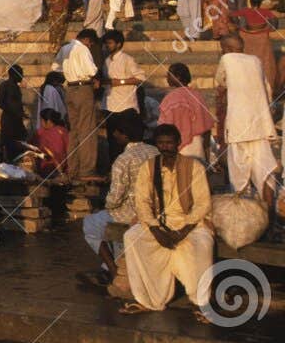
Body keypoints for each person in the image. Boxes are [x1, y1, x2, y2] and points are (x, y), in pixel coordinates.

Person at [120, 124, 213, 317]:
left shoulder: (193, 166)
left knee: (202, 245)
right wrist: (156, 230)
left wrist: (181, 232)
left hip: (190, 224)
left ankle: (200, 303)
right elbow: (142, 202)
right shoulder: (148, 167)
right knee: (132, 237)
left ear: (178, 143)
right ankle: (148, 300)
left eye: (169, 143)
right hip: (158, 224)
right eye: (161, 143)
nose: (165, 147)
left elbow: (203, 203)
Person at [80, 112, 156, 287]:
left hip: (131, 213)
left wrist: (104, 205)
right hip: (155, 208)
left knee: (90, 223)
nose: (114, 135)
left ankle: (114, 271)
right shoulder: (155, 151)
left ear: (124, 134)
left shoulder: (123, 160)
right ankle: (109, 267)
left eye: (116, 132)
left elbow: (114, 199)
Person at [215, 34, 280, 204]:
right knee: (265, 173)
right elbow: (267, 89)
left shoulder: (227, 59)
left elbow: (220, 83)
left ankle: (245, 214)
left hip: (238, 127)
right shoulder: (256, 61)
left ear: (226, 49)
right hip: (261, 126)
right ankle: (270, 219)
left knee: (239, 177)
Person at [58, 29, 100, 180]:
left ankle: (73, 170)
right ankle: (87, 171)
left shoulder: (65, 48)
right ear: (87, 40)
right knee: (87, 130)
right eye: (91, 43)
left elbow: (55, 68)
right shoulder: (82, 49)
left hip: (70, 89)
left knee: (74, 131)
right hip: (83, 89)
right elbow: (92, 70)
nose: (90, 46)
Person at [157, 62, 215, 161]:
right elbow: (207, 129)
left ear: (178, 77)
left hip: (176, 148)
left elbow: (164, 128)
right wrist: (207, 154)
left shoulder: (170, 98)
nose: (167, 78)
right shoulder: (197, 96)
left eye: (169, 75)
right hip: (197, 146)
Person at [232, 0, 278, 80]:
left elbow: (232, 14)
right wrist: (272, 29)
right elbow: (275, 19)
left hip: (248, 33)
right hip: (262, 34)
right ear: (260, 3)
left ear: (250, 3)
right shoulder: (265, 11)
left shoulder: (246, 11)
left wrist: (236, 25)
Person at [100, 29, 143, 119]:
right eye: (106, 43)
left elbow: (140, 79)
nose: (107, 46)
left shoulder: (128, 59)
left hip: (126, 106)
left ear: (118, 44)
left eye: (110, 43)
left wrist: (120, 82)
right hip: (109, 104)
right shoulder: (106, 61)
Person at [0, 64, 26, 161]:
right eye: (20, 74)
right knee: (7, 143)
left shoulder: (16, 87)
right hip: (8, 119)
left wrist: (21, 113)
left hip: (17, 119)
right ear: (13, 75)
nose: (22, 77)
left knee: (19, 141)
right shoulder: (4, 86)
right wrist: (13, 111)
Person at [33, 109, 70, 177]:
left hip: (49, 167)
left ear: (49, 121)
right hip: (61, 167)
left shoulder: (58, 132)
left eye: (42, 120)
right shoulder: (64, 131)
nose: (41, 123)